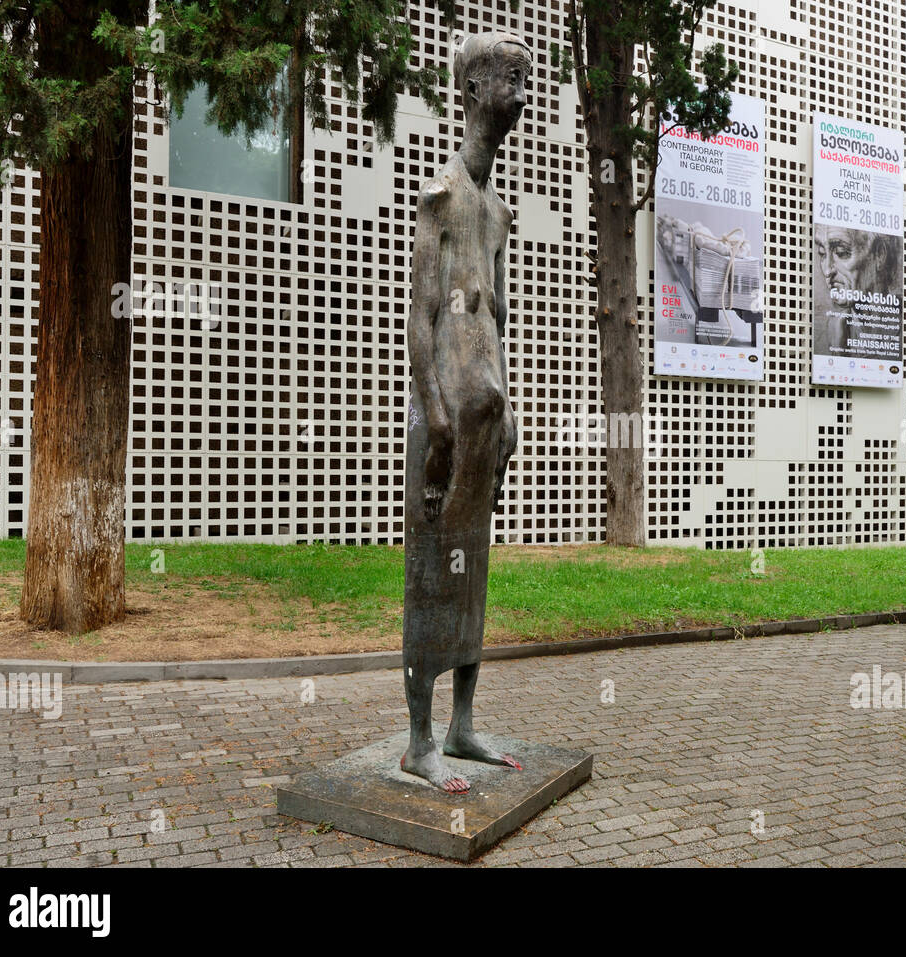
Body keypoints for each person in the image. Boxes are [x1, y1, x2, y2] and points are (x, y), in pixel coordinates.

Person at [400, 32, 531, 793]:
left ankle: (462, 725)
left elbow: (497, 322)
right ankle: (419, 739)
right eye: (510, 76)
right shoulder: (441, 199)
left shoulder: (499, 212)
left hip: (486, 423)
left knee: (472, 574)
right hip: (443, 423)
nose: (523, 88)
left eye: (526, 76)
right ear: (475, 88)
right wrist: (436, 413)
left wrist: (505, 412)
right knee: (430, 578)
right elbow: (422, 318)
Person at [813, 225, 902, 357]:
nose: (827, 271)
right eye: (822, 253)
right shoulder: (835, 328)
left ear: (879, 255)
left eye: (841, 252)